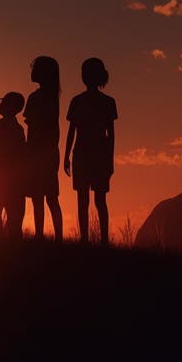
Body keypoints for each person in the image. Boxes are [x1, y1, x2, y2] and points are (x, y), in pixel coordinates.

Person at [64, 58, 117, 246]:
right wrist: (66, 157)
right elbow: (110, 136)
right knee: (96, 199)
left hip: (87, 155)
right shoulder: (106, 102)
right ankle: (95, 240)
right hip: (91, 155)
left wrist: (66, 157)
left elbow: (73, 131)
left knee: (86, 199)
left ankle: (90, 240)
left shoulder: (80, 101)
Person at [24, 56, 64, 242]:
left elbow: (32, 128)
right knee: (48, 197)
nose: (32, 71)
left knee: (41, 197)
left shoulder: (38, 97)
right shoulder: (52, 97)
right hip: (47, 152)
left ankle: (43, 235)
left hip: (39, 152)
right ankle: (56, 237)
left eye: (36, 68)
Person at [0, 92, 27, 240]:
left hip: (3, 179)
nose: (1, 103)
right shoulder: (19, 129)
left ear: (10, 106)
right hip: (14, 182)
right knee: (14, 222)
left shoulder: (1, 125)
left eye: (3, 101)